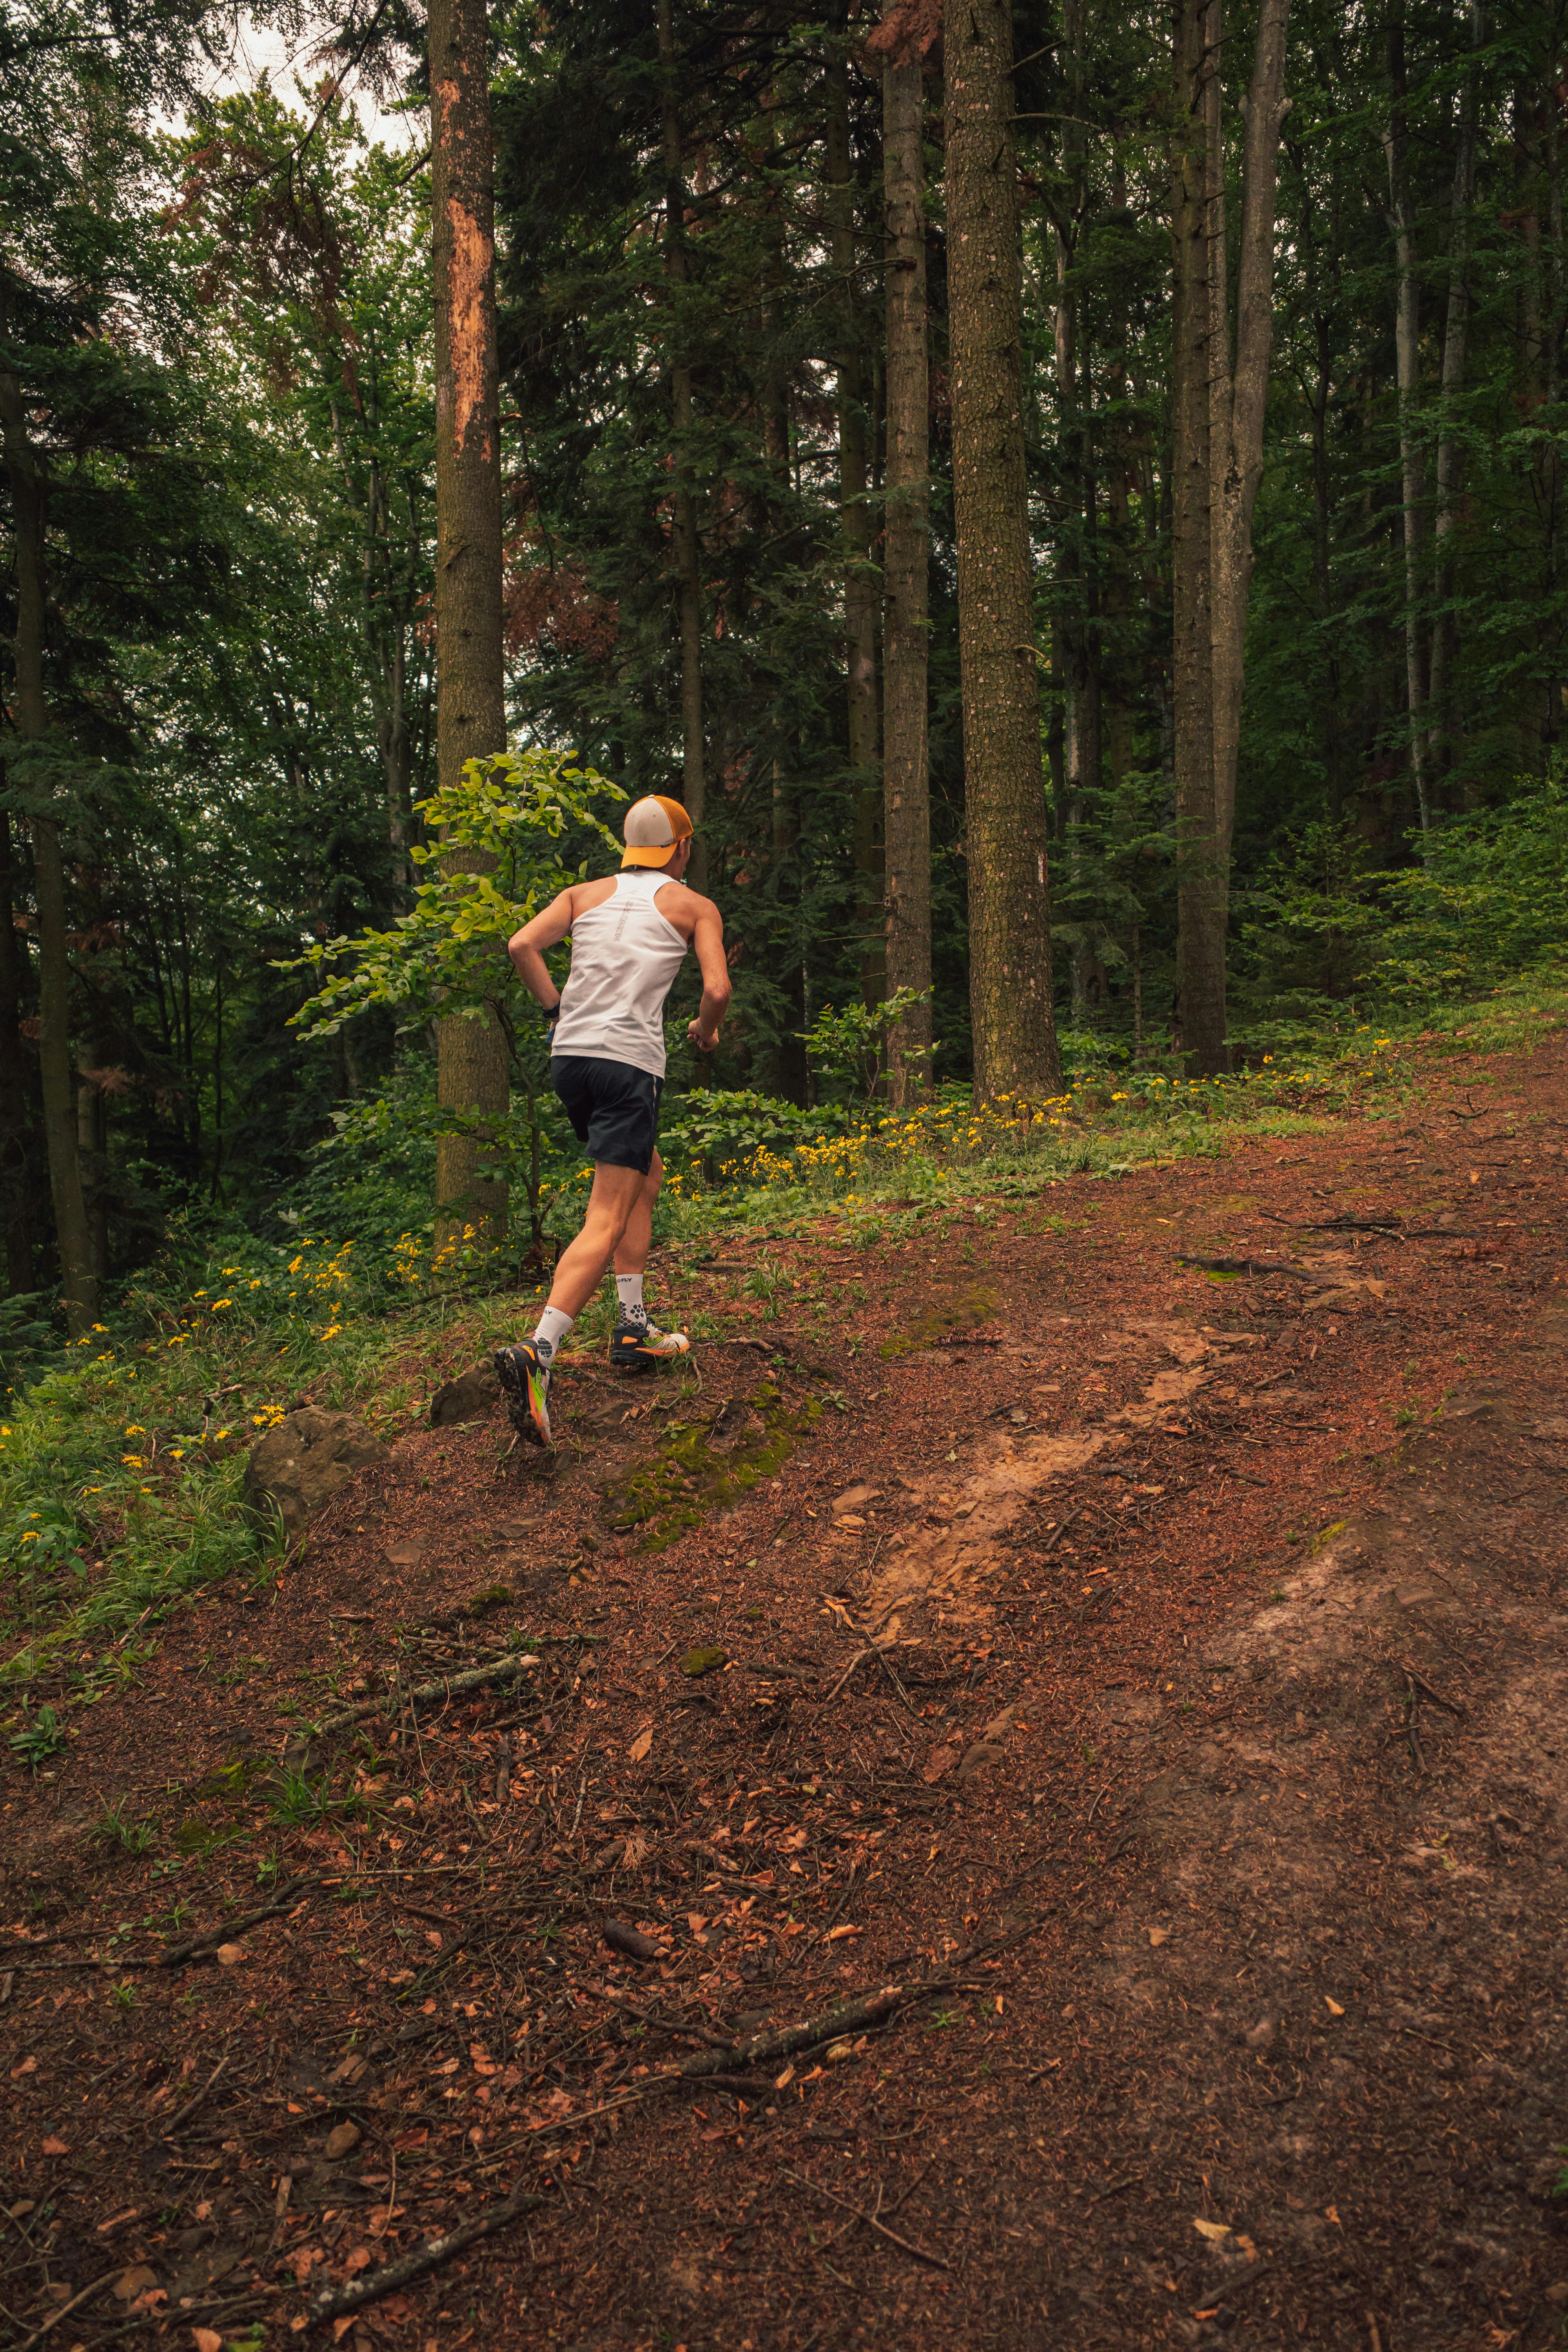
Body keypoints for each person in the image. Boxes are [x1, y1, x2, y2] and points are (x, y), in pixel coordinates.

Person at [494, 793, 730, 1446]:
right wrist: (704, 1035)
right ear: (681, 848)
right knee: (607, 1213)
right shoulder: (694, 905)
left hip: (571, 1060)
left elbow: (521, 945)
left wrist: (554, 1013)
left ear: (628, 848)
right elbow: (716, 990)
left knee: (643, 1173)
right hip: (628, 1066)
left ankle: (632, 1329)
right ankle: (537, 1353)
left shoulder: (581, 894)